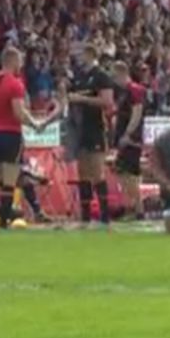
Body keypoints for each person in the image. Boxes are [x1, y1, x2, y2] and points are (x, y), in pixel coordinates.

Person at [0, 47, 55, 231]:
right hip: (10, 134)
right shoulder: (15, 84)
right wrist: (35, 123)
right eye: (20, 60)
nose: (21, 64)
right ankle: (4, 221)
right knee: (9, 180)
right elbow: (19, 113)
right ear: (13, 61)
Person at [68, 45, 114, 227]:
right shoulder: (79, 77)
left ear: (91, 54)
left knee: (97, 171)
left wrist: (83, 100)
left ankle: (105, 217)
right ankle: (85, 217)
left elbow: (107, 102)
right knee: (83, 173)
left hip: (96, 128)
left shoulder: (101, 76)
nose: (80, 58)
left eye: (83, 54)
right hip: (80, 129)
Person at [111, 61, 146, 220]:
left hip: (131, 139)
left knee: (129, 174)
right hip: (124, 137)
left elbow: (137, 113)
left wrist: (128, 134)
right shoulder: (123, 92)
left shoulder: (134, 90)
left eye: (114, 75)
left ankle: (138, 209)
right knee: (122, 172)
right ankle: (132, 206)